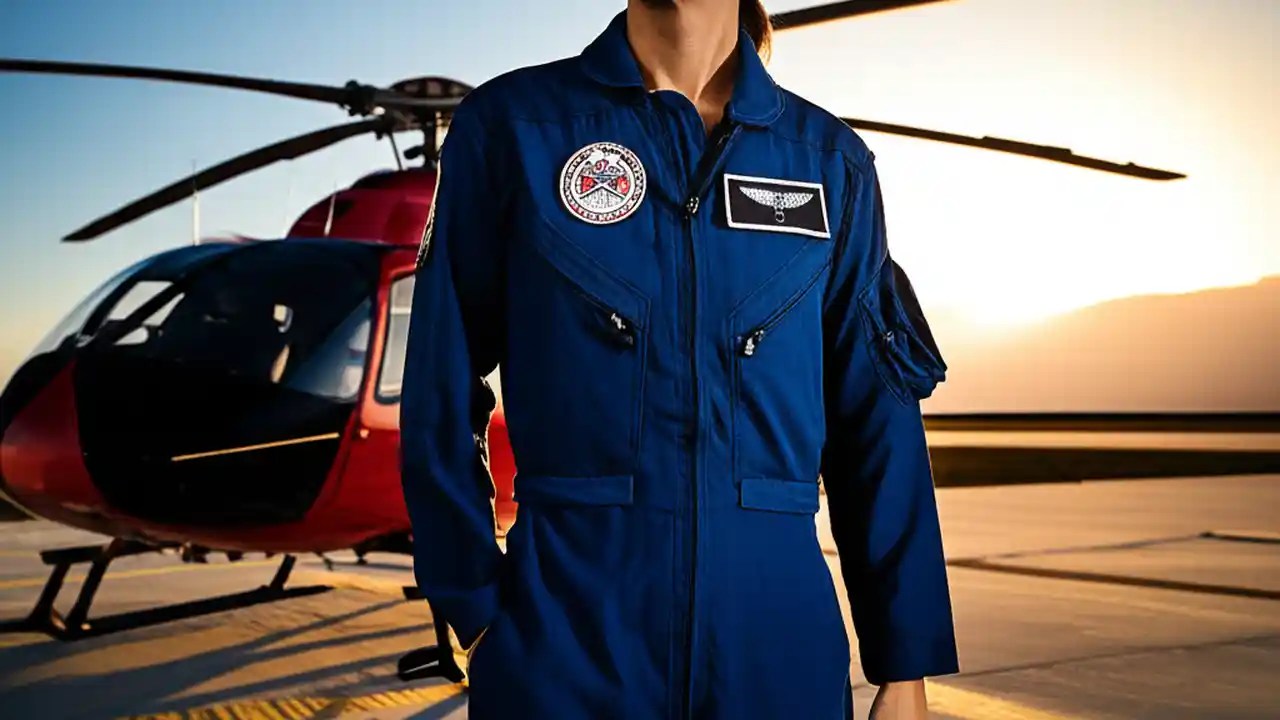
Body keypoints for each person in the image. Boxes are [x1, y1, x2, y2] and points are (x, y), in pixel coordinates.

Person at [399, 1, 958, 718]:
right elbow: (439, 386)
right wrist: (475, 603)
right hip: (562, 655)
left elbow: (876, 424)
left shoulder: (831, 163)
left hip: (777, 658)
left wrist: (904, 666)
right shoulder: (511, 130)